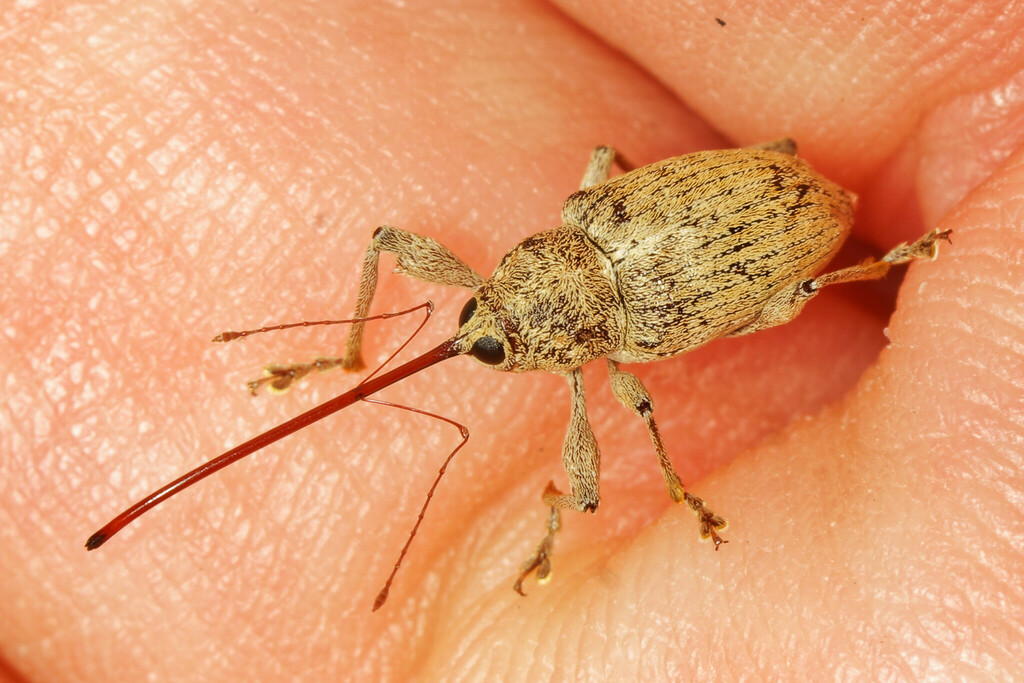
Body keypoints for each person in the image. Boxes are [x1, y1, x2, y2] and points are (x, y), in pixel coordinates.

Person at [4, 1, 1022, 679]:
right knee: (425, 237)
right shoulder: (588, 220)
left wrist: (671, 488)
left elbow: (628, 422)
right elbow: (571, 171)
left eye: (476, 324)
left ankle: (889, 262)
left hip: (774, 230)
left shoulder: (621, 347)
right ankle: (339, 358)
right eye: (478, 324)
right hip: (693, 208)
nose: (472, 327)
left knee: (776, 301)